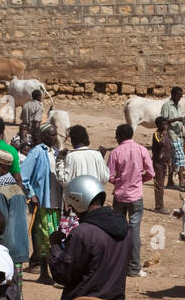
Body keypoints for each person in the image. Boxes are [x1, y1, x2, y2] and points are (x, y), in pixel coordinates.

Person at [0, 149, 30, 294]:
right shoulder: (16, 188)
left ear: (4, 169)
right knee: (16, 294)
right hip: (18, 249)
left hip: (5, 252)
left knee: (3, 294)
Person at [107, 122, 152, 279]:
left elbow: (109, 176)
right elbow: (151, 173)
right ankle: (133, 268)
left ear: (120, 136)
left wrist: (120, 182)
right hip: (136, 197)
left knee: (117, 231)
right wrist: (138, 180)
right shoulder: (141, 149)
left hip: (120, 197)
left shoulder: (115, 152)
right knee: (134, 232)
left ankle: (116, 265)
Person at [20, 123, 63, 285]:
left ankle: (54, 273)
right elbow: (24, 175)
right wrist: (32, 194)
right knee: (45, 238)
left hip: (56, 203)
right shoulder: (37, 152)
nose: (54, 137)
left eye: (55, 134)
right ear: (44, 136)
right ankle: (44, 273)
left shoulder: (56, 152)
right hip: (43, 203)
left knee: (56, 238)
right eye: (51, 135)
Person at [56, 124, 108, 190]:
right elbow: (105, 178)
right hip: (95, 196)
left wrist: (60, 160)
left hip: (76, 198)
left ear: (72, 140)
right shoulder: (98, 155)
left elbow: (64, 181)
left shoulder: (70, 156)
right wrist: (101, 159)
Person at [160, 86, 185, 189]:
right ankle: (181, 181)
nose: (180, 98)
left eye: (181, 96)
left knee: (173, 159)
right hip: (171, 135)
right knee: (180, 159)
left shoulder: (179, 106)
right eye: (178, 96)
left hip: (178, 135)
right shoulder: (166, 106)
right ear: (173, 95)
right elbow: (163, 121)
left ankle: (170, 181)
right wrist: (176, 119)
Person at [149, 116, 171, 213]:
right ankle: (159, 206)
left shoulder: (166, 134)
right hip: (158, 163)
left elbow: (168, 148)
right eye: (164, 124)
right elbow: (160, 143)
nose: (166, 126)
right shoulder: (157, 134)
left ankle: (160, 205)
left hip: (164, 162)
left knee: (162, 184)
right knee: (159, 184)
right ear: (159, 125)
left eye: (166, 124)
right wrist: (164, 133)